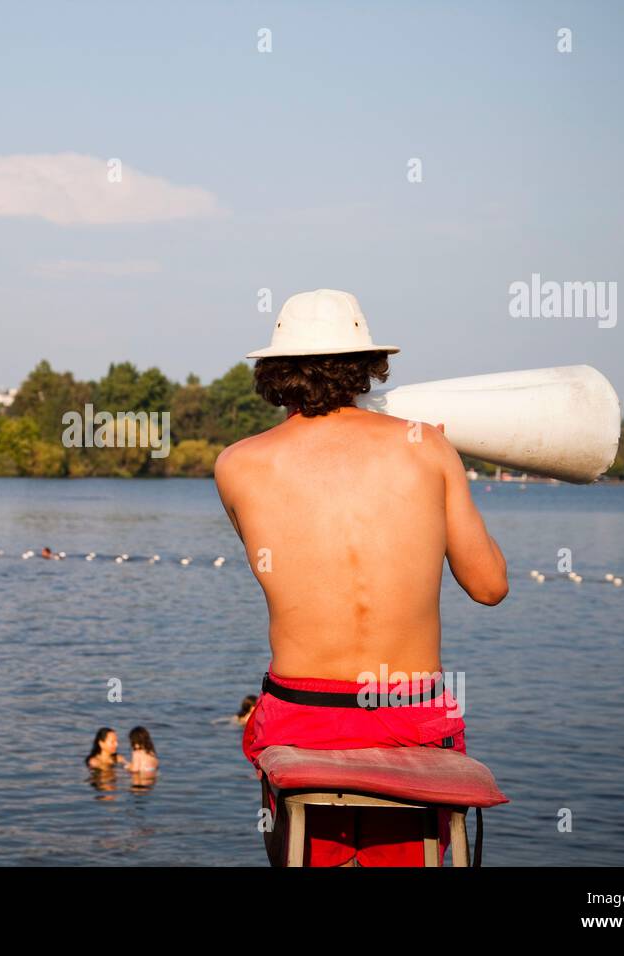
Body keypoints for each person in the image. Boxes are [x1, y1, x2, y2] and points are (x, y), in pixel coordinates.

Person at [213, 290, 508, 867]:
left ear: (273, 371)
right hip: (410, 715)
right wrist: (446, 466)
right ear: (366, 366)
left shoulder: (236, 464)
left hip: (302, 719)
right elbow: (489, 586)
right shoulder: (428, 448)